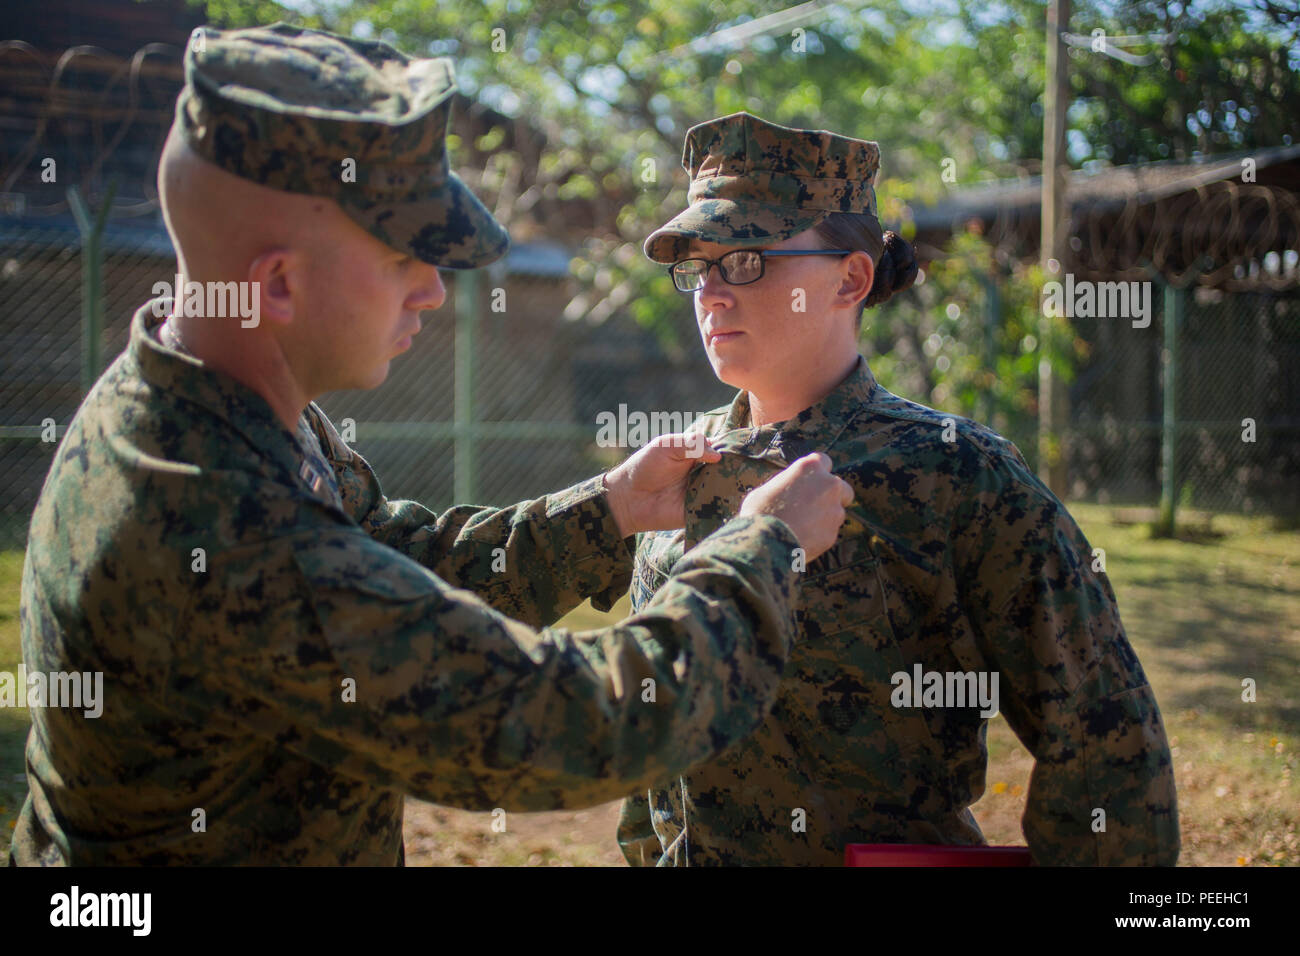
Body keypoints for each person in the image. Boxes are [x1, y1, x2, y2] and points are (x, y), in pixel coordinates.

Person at [10, 26, 854, 866]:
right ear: (278, 284)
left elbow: (394, 563)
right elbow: (562, 726)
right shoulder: (219, 521)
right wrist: (765, 549)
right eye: (402, 259)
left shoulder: (217, 394)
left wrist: (610, 509)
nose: (432, 292)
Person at [616, 111, 1180, 866]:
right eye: (698, 265)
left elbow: (1104, 743)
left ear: (850, 278)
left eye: (746, 259)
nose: (711, 293)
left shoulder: (958, 472)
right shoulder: (673, 471)